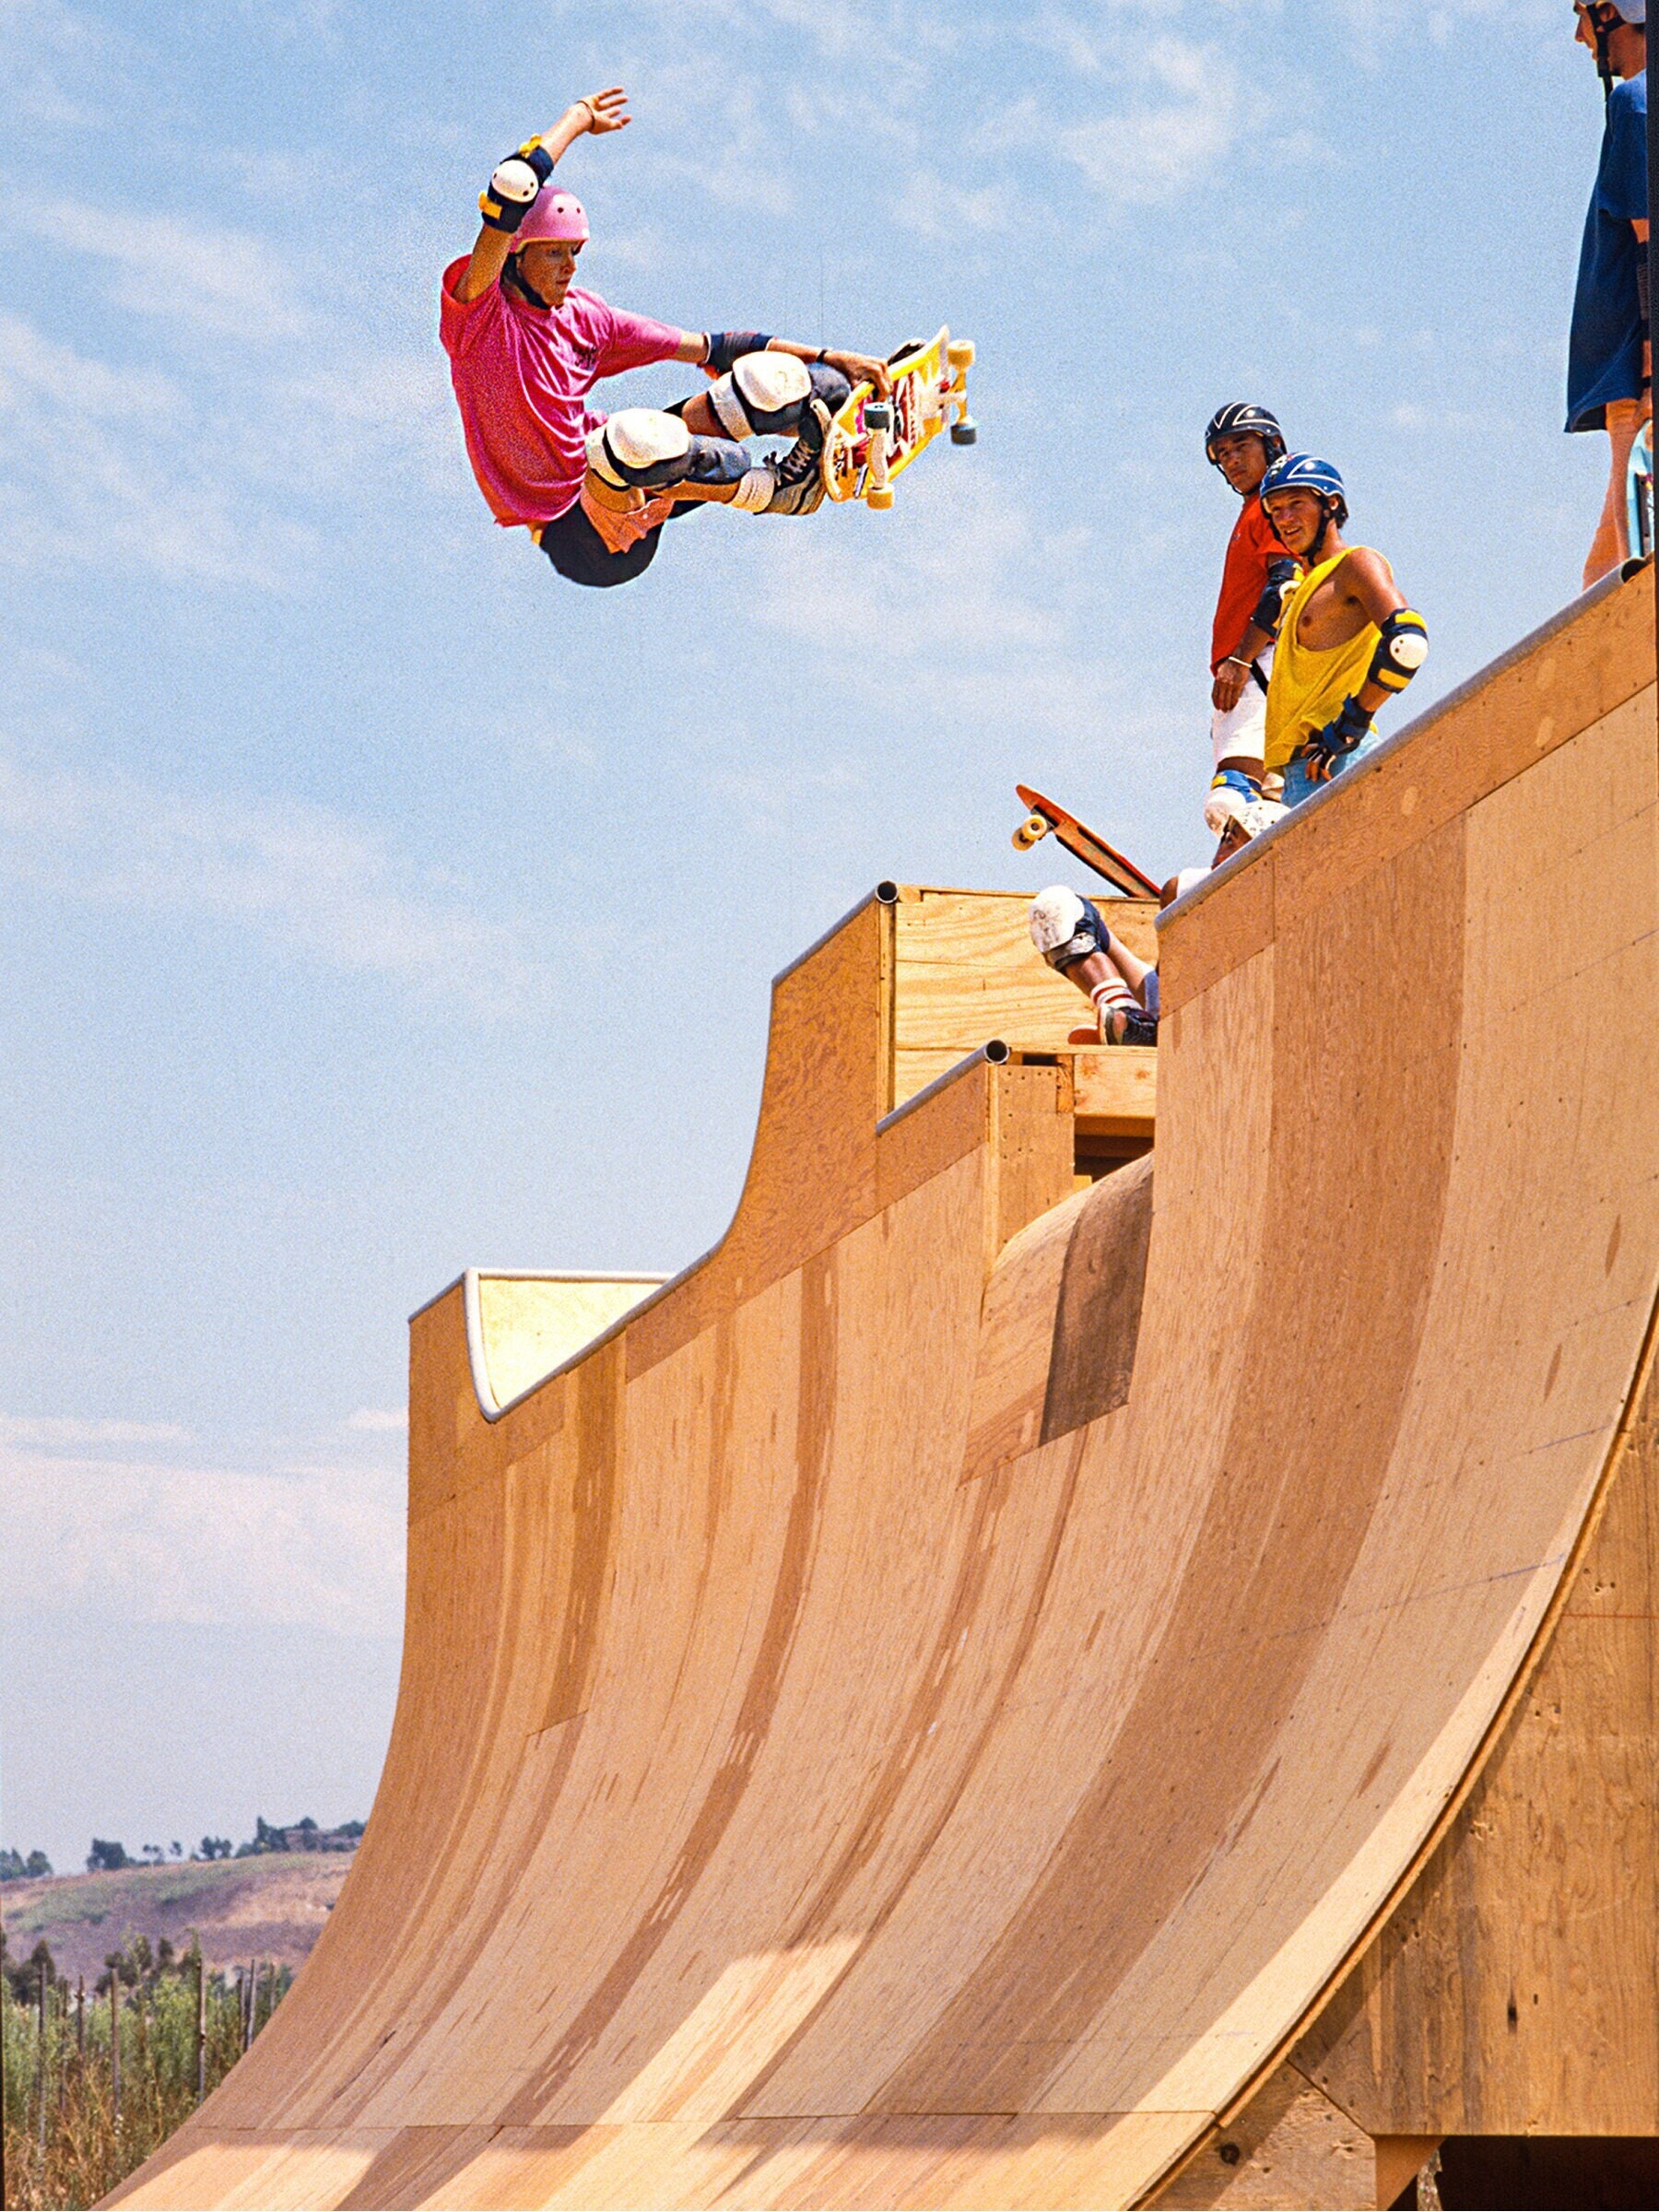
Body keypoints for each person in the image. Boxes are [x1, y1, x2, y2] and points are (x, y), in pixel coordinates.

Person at [440, 87, 893, 589]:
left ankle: (826, 425)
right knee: (631, 439)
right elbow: (511, 191)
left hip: (637, 489)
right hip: (580, 535)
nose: (570, 268)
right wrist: (578, 117)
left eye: (576, 254)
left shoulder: (586, 316)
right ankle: (779, 492)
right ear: (517, 257)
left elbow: (716, 347)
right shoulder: (479, 319)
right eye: (554, 254)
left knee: (787, 383)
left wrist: (831, 359)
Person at [1257, 455, 1429, 812]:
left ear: (1330, 503)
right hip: (1299, 774)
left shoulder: (1355, 564)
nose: (1285, 519)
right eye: (1275, 510)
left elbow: (1407, 642)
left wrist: (1351, 724)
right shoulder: (1300, 588)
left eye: (1296, 504)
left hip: (1337, 761)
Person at [1568, 2, 1651, 585]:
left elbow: (1651, 240)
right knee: (1603, 579)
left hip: (1641, 375)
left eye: (1581, 13)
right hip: (1632, 378)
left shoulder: (1637, 100)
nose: (1578, 36)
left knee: (1632, 575)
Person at [1201, 404, 1300, 845]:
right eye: (1222, 454)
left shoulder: (1268, 508)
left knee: (1230, 802)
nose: (1232, 460)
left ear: (1271, 445)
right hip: (1263, 665)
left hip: (1258, 663)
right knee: (1272, 803)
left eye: (1241, 446)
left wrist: (1239, 660)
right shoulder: (1252, 514)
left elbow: (1284, 582)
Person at [1029, 888, 1160, 1046]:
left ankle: (1131, 1028)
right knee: (1057, 907)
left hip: (1188, 1006)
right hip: (1162, 997)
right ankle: (1132, 1020)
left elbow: (1171, 891)